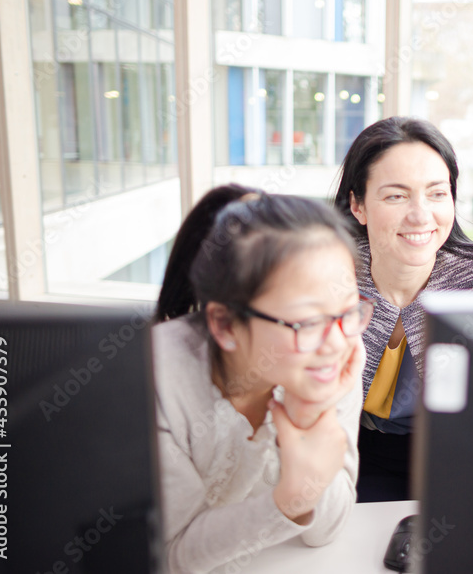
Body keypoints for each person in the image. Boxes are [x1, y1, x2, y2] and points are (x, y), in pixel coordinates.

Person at [152, 185, 371, 573]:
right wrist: (286, 504)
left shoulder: (337, 352)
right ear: (225, 324)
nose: (336, 342)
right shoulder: (159, 377)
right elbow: (170, 556)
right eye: (306, 321)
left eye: (348, 311)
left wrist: (313, 412)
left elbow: (326, 530)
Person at [333, 116, 473, 502]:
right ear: (358, 204)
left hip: (464, 463)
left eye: (437, 194)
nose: (421, 214)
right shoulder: (326, 276)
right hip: (348, 453)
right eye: (396, 195)